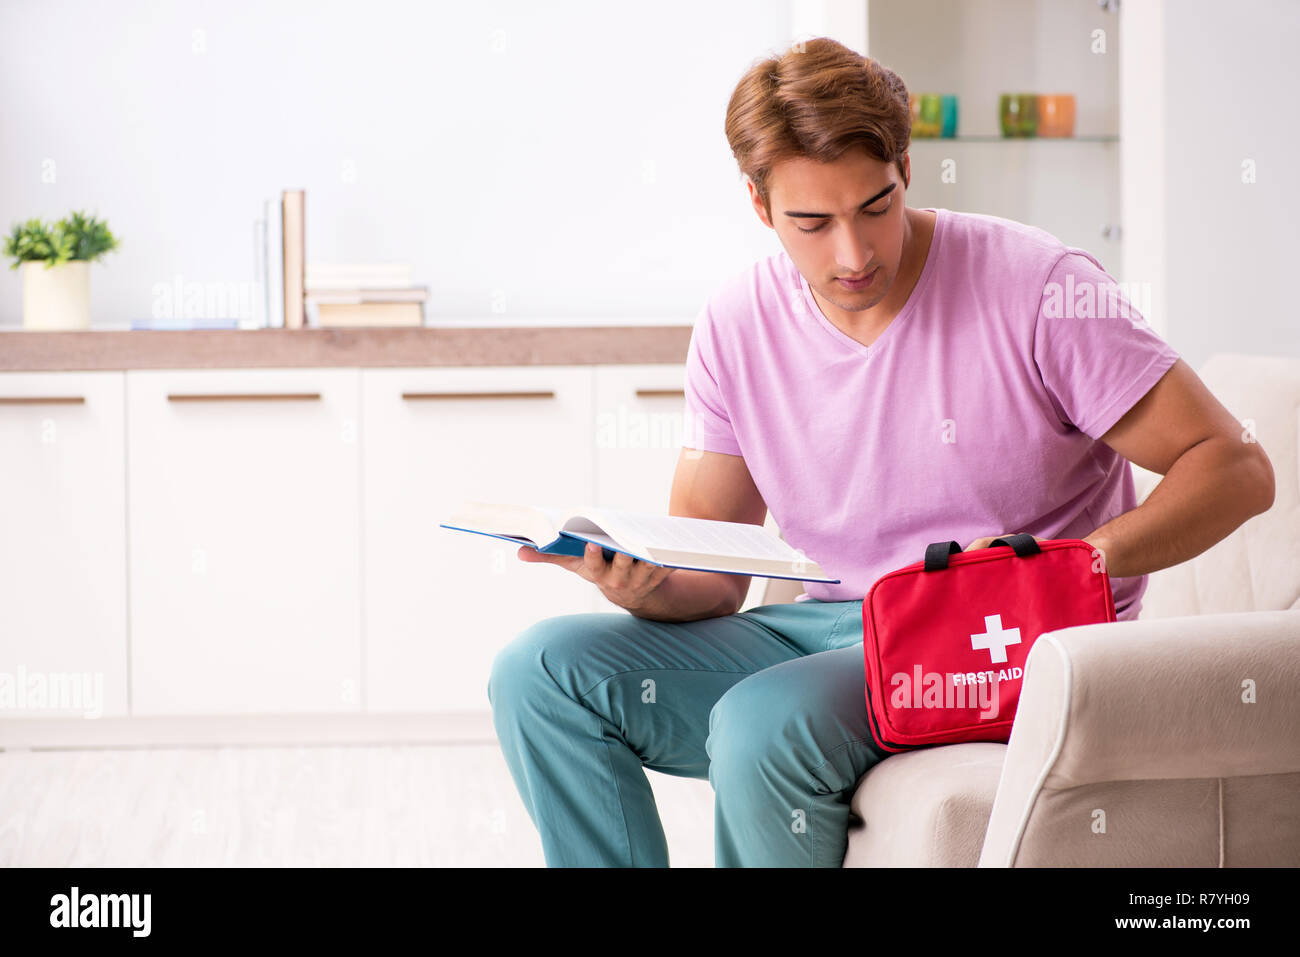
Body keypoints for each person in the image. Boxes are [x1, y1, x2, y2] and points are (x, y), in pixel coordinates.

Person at [487, 37, 1275, 867]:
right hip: (820, 632)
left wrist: (1065, 560)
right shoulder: (735, 325)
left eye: (875, 205)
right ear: (758, 205)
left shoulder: (1039, 285)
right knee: (538, 672)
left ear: (906, 165)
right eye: (812, 223)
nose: (854, 255)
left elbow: (1233, 465)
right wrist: (643, 584)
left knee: (761, 725)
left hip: (994, 635)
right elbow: (712, 578)